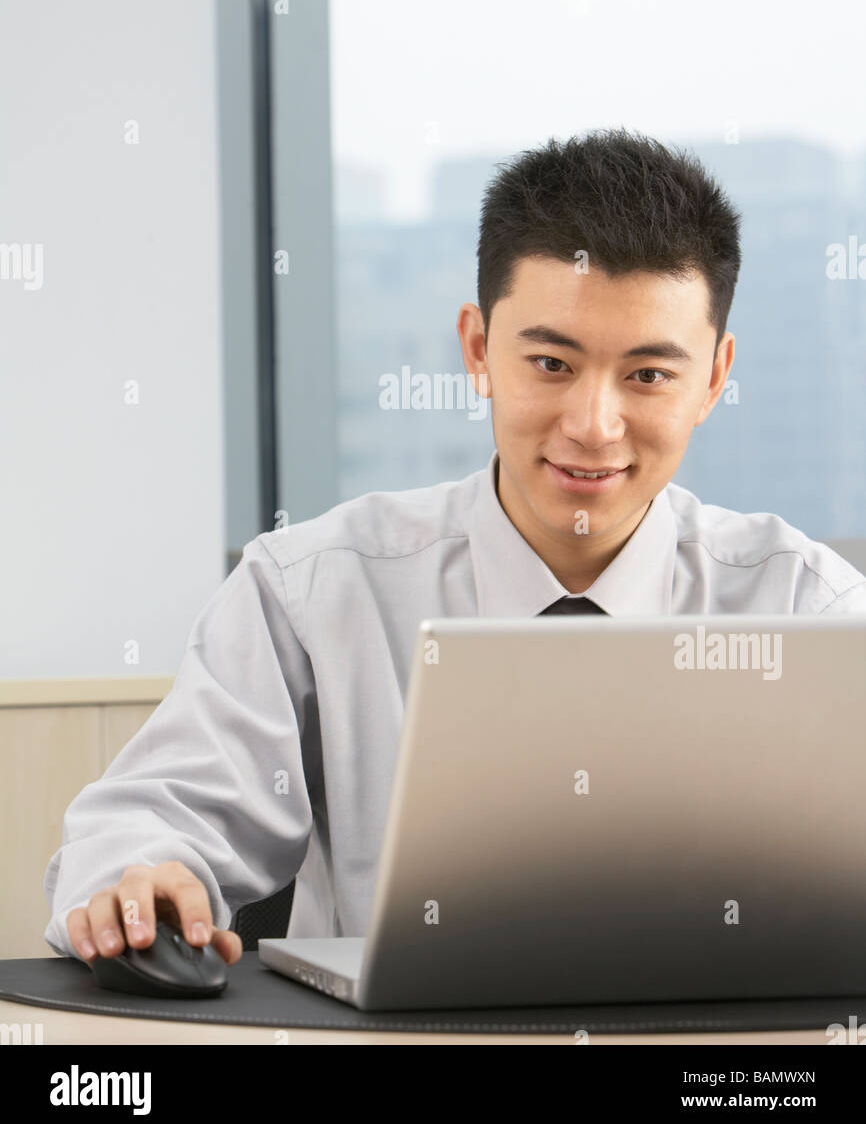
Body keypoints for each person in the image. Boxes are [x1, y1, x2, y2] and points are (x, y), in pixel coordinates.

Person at [43, 128, 866, 967]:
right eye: (551, 363)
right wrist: (137, 882)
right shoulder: (312, 592)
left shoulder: (810, 610)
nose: (593, 426)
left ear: (714, 378)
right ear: (477, 349)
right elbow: (158, 817)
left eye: (648, 376)